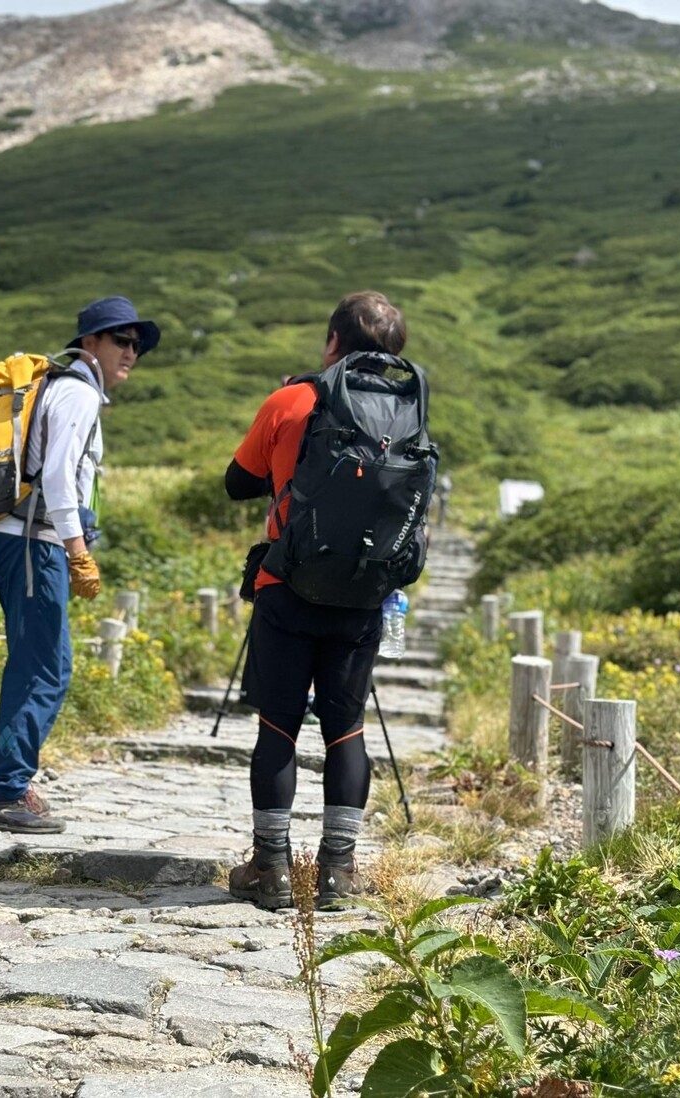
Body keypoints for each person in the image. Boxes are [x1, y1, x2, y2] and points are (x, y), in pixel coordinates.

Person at [224, 290, 410, 910]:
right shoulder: (408, 412)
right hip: (362, 598)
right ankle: (337, 874)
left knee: (278, 727)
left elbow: (237, 483)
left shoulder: (293, 398)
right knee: (345, 730)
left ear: (332, 342)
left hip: (288, 587)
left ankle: (272, 871)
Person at [0, 296, 160, 833]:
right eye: (120, 340)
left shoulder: (71, 391)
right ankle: (5, 791)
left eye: (137, 344)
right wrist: (78, 553)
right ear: (90, 344)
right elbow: (56, 476)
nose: (131, 352)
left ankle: (1, 780)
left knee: (41, 664)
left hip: (30, 539)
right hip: (35, 540)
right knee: (46, 670)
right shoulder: (77, 393)